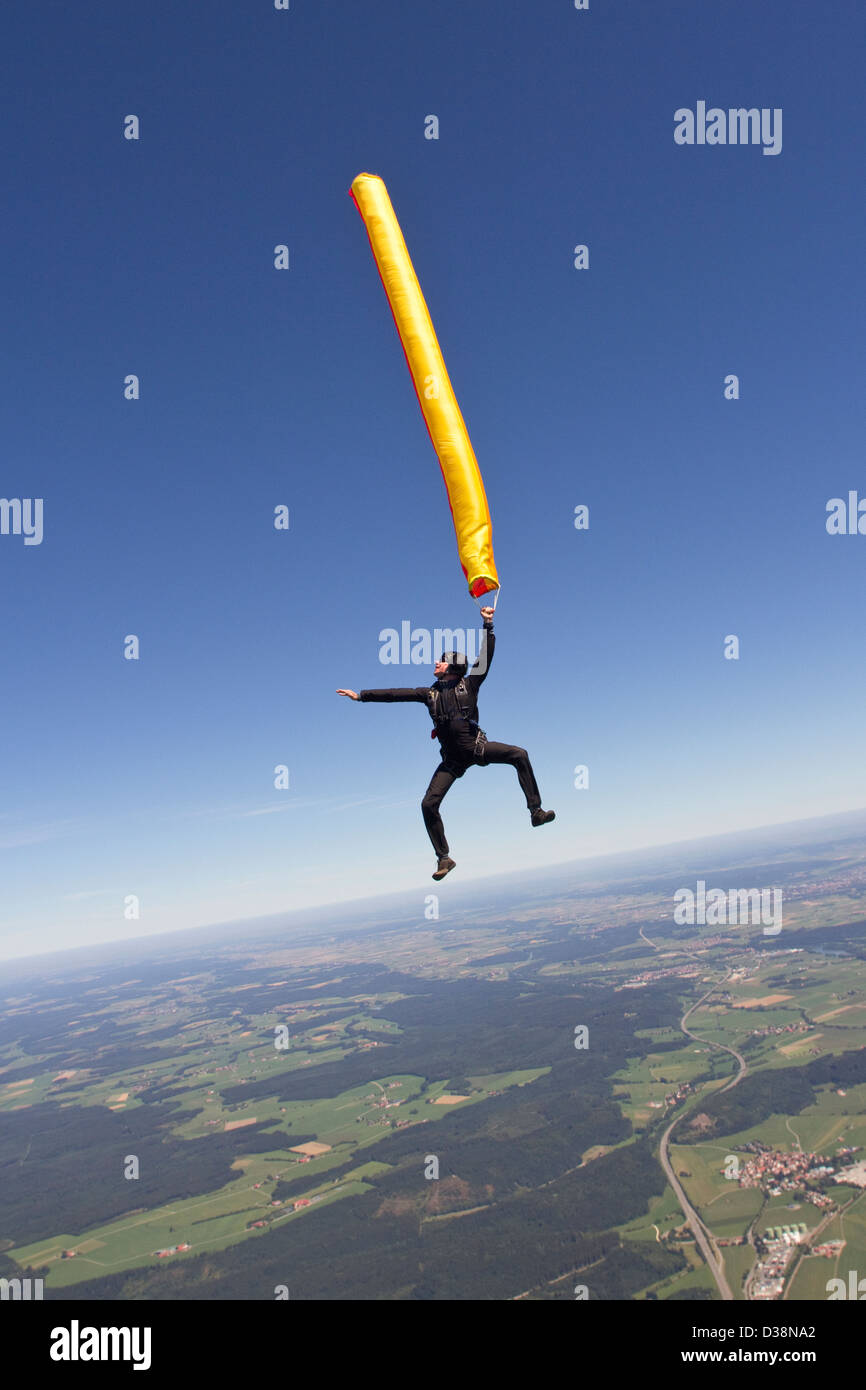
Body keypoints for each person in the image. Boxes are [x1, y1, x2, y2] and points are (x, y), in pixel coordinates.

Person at [337, 607, 555, 880]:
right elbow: (395, 694)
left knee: (519, 754)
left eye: (441, 661)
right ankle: (444, 858)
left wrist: (488, 623)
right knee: (428, 804)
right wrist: (361, 696)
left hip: (476, 748)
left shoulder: (470, 684)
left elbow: (486, 656)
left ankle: (535, 811)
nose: (436, 663)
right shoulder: (428, 693)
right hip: (451, 760)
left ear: (452, 667)